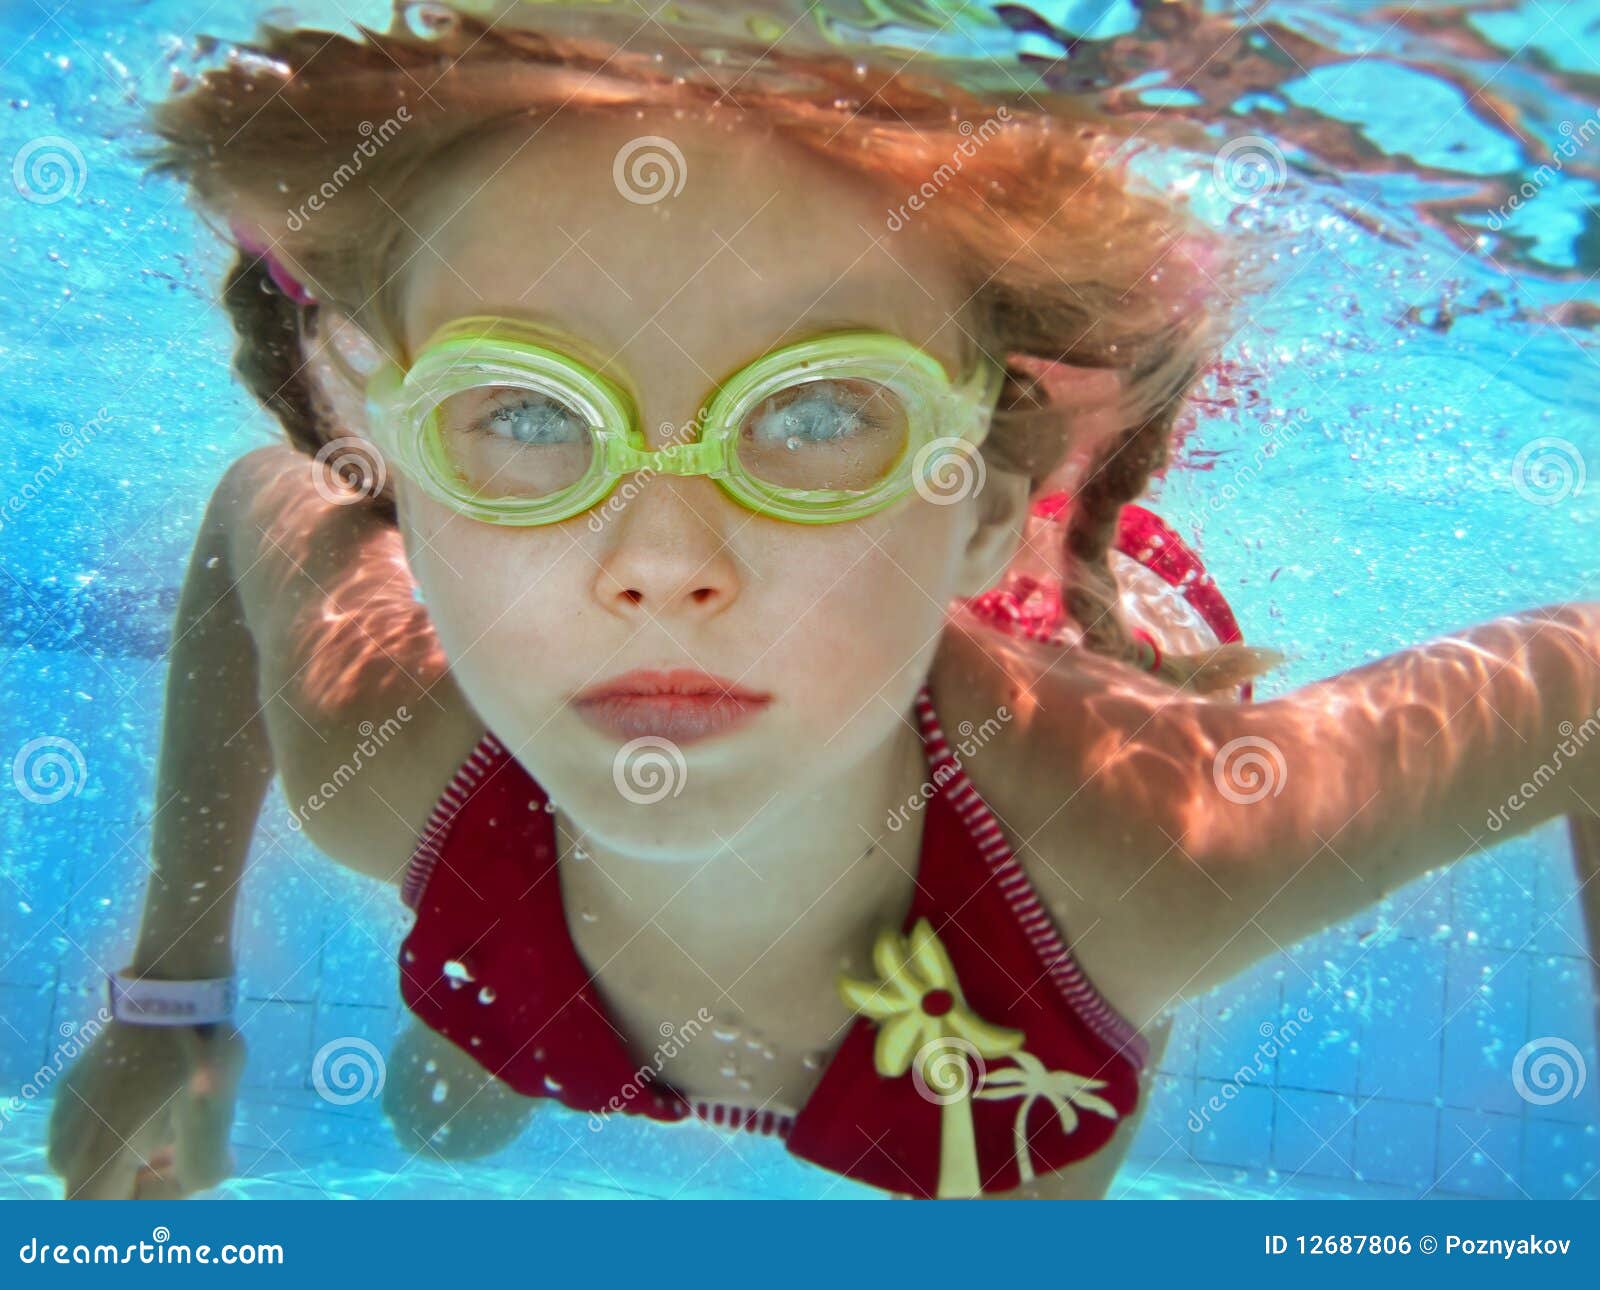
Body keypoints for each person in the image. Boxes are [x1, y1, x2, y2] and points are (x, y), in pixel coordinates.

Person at [46, 1, 1600, 1199]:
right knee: (447, 1104)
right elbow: (265, 502)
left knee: (994, 1184)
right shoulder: (388, 758)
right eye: (523, 414)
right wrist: (169, 1001)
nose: (659, 558)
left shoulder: (1146, 864)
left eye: (812, 411)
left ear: (991, 503)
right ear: (389, 453)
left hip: (1002, 916)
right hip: (548, 891)